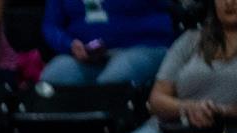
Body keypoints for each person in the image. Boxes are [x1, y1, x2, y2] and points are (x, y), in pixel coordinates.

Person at [115, 0, 237, 133]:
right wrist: (190, 108)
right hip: (173, 127)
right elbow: (157, 98)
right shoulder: (190, 40)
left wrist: (219, 111)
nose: (229, 2)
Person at [39, 0, 169, 85]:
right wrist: (70, 44)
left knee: (113, 81)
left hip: (142, 46)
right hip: (87, 54)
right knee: (54, 76)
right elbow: (51, 25)